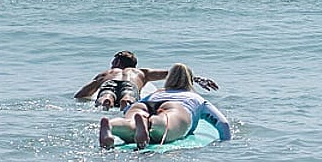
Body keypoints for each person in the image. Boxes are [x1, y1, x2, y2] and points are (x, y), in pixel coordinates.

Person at [98, 63, 231, 149]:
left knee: (129, 121)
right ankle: (152, 124)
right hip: (176, 106)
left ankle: (110, 125)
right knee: (165, 120)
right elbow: (222, 123)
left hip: (143, 104)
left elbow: (127, 109)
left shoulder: (156, 93)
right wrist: (226, 145)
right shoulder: (195, 98)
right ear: (190, 82)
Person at [75, 50, 218, 110]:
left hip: (108, 84)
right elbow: (174, 73)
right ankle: (126, 101)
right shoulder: (142, 72)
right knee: (128, 96)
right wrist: (198, 79)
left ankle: (106, 100)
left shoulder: (107, 73)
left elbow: (83, 93)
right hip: (130, 85)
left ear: (118, 62)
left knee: (106, 95)